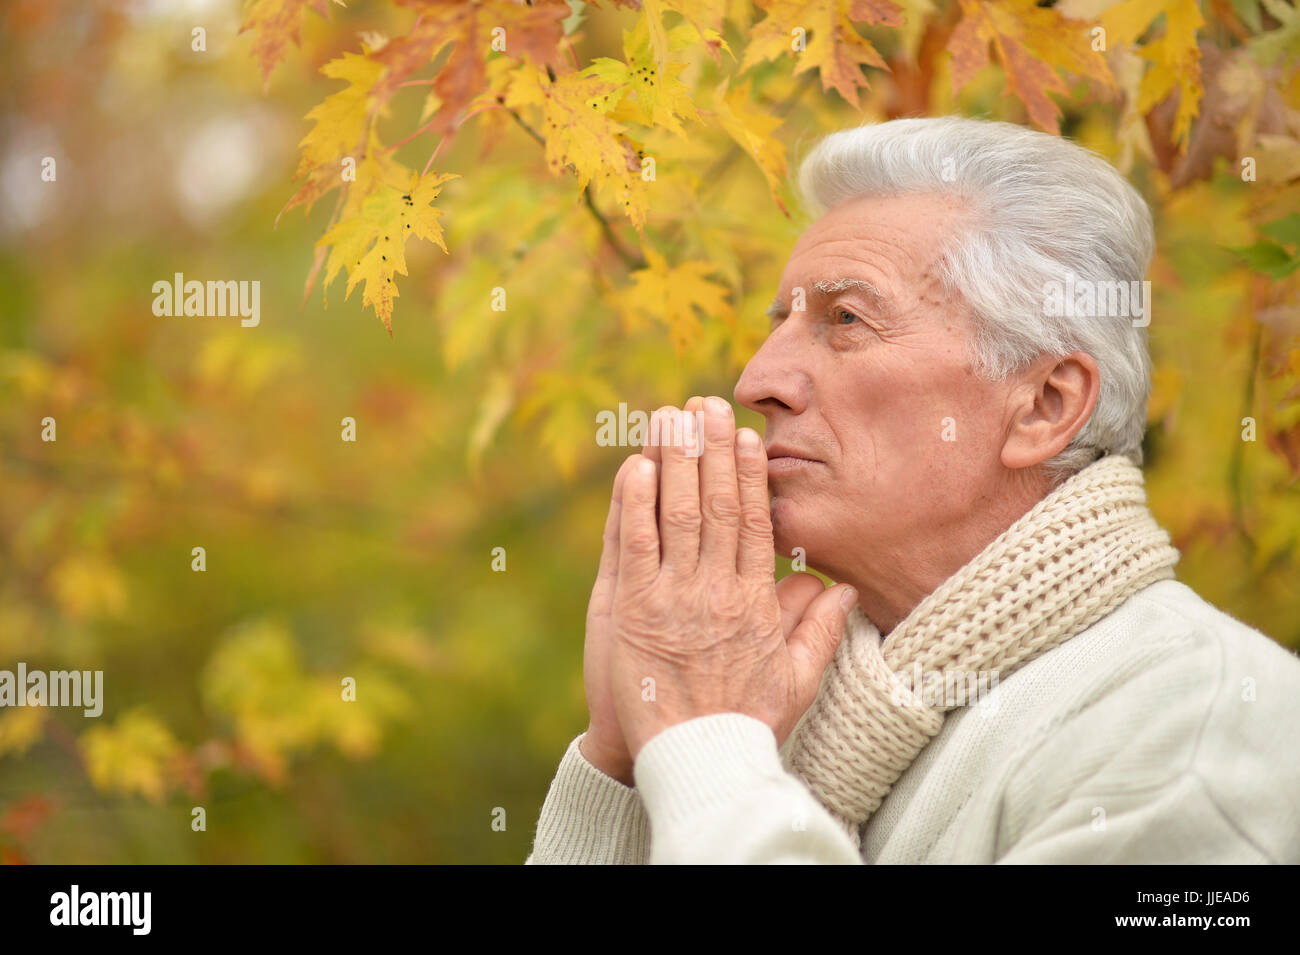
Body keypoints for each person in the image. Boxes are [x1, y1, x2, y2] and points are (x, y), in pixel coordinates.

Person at [527, 116, 1300, 864]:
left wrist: (705, 737)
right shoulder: (805, 714)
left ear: (1045, 404)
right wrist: (626, 763)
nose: (757, 380)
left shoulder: (1194, 729)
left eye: (845, 318)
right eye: (779, 322)